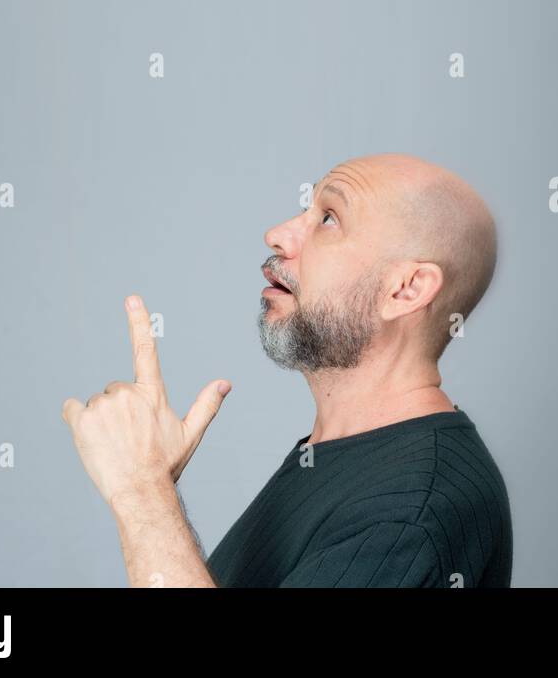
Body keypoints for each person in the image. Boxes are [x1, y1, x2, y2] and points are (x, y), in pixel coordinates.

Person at [62, 152, 512, 588]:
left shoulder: (413, 511)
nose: (277, 235)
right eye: (306, 209)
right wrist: (151, 482)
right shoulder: (338, 455)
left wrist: (141, 492)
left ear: (406, 289)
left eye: (329, 218)